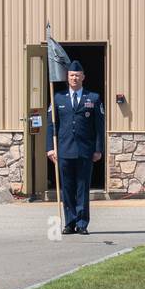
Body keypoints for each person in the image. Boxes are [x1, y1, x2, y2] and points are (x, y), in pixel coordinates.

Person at [45, 61, 104, 235]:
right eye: (71, 75)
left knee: (82, 188)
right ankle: (69, 223)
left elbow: (99, 127)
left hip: (85, 151)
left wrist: (98, 149)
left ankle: (82, 223)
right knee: (67, 188)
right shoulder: (58, 98)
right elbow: (51, 126)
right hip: (64, 150)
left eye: (77, 75)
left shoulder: (93, 98)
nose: (74, 78)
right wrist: (50, 148)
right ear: (67, 77)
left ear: (83, 77)